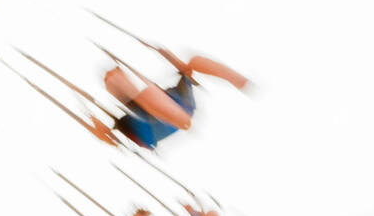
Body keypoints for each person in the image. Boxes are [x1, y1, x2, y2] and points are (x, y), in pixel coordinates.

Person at [82, 48, 249, 149]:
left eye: (113, 76)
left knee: (193, 62)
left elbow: (187, 71)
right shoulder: (125, 122)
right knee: (146, 97)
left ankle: (238, 79)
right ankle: (176, 118)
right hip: (154, 129)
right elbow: (111, 140)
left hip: (178, 108)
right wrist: (90, 117)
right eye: (110, 81)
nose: (111, 81)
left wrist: (170, 57)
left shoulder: (149, 95)